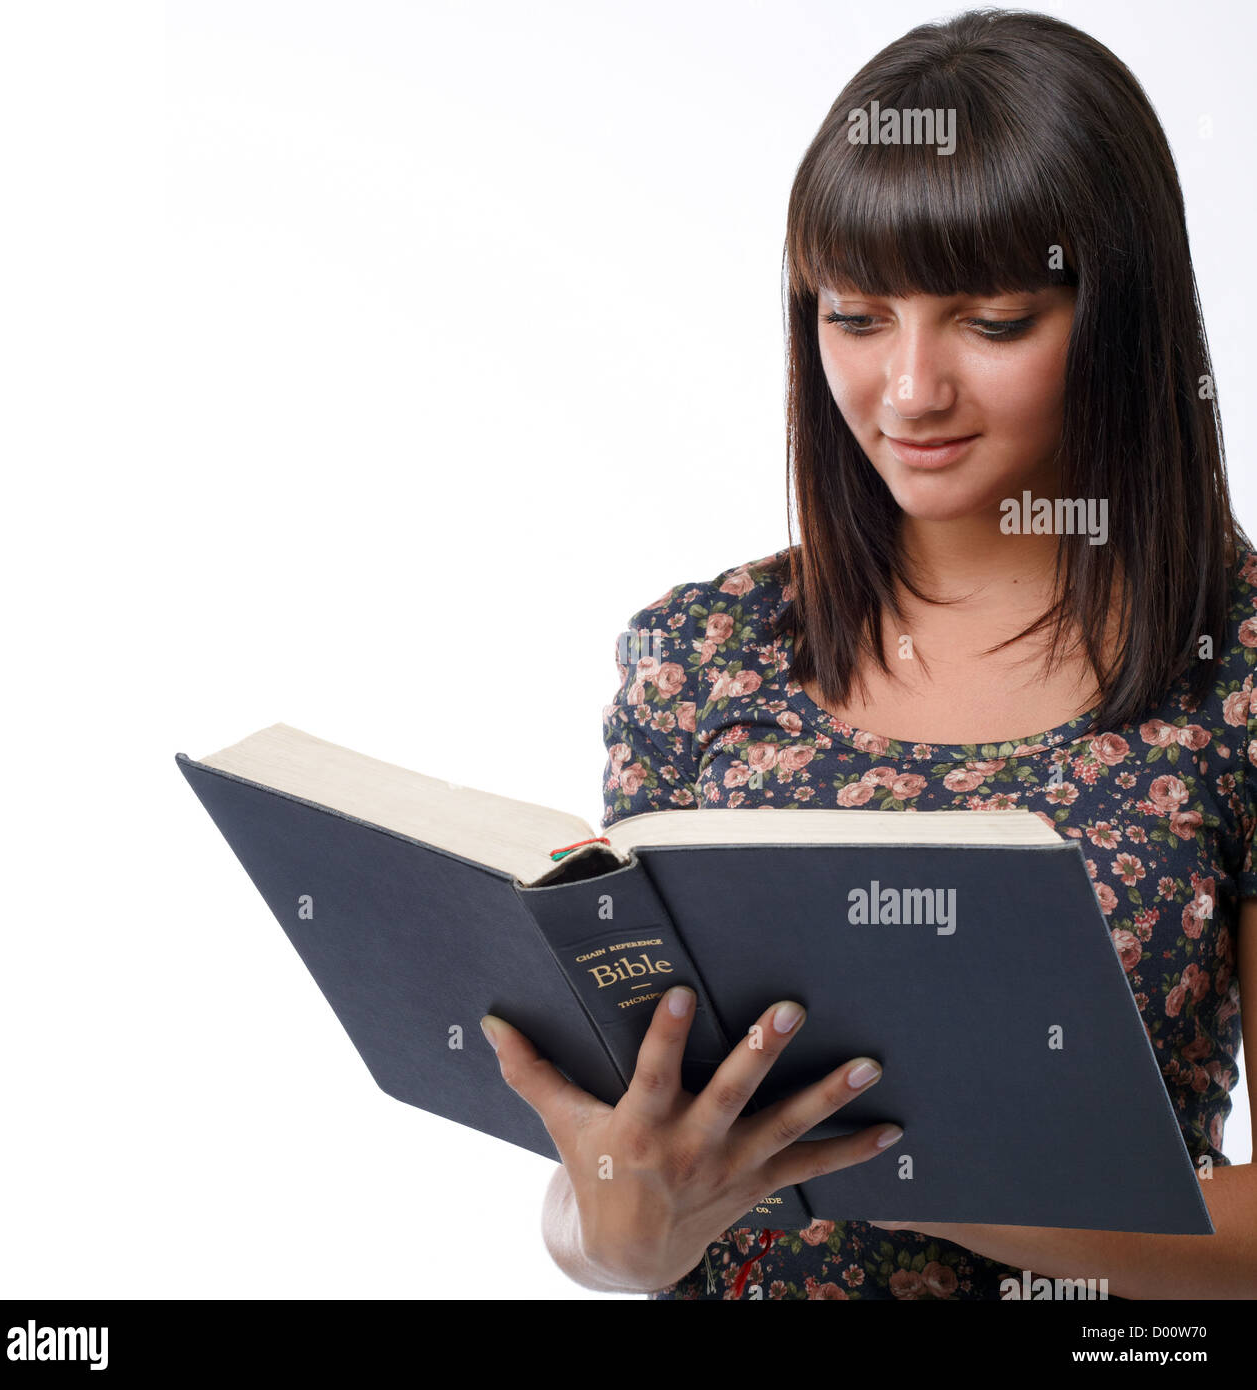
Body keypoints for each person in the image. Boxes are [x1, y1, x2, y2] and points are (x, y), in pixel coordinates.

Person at [478, 7, 1257, 1298]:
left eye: (993, 321)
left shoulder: (1232, 667)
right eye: (854, 315)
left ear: (1120, 318)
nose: (908, 390)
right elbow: (619, 1166)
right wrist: (613, 1226)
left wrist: (948, 1182)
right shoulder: (703, 652)